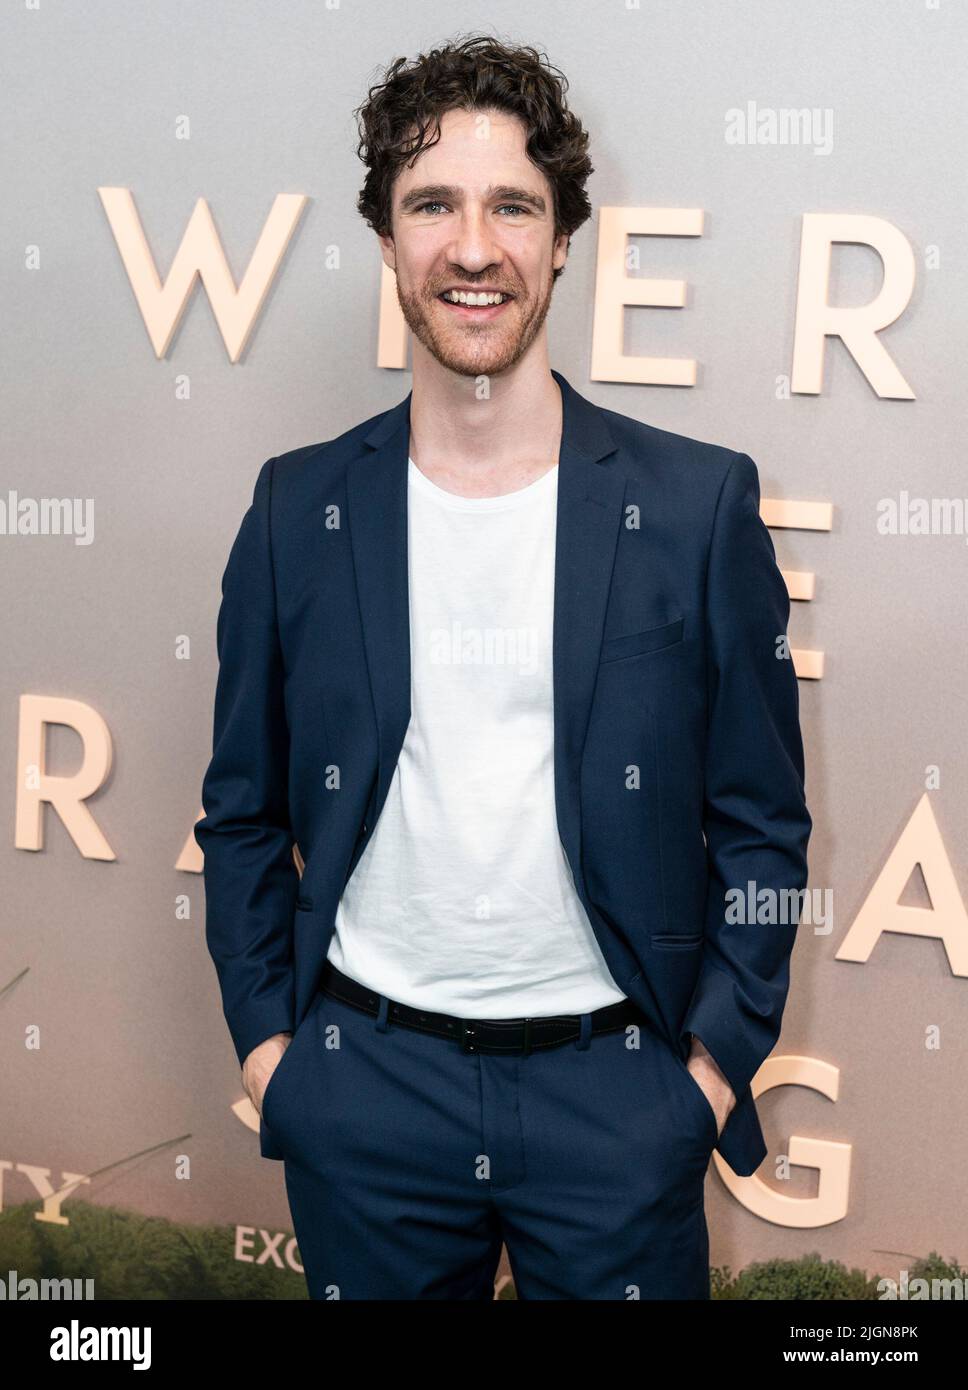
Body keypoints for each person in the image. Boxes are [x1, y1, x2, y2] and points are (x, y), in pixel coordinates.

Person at [195, 34, 811, 1300]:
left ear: (562, 238)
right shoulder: (297, 507)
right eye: (433, 204)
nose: (472, 248)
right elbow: (242, 813)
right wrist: (273, 1053)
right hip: (363, 1091)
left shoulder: (693, 506)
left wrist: (699, 1076)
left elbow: (760, 825)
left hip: (616, 1099)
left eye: (511, 206)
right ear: (385, 238)